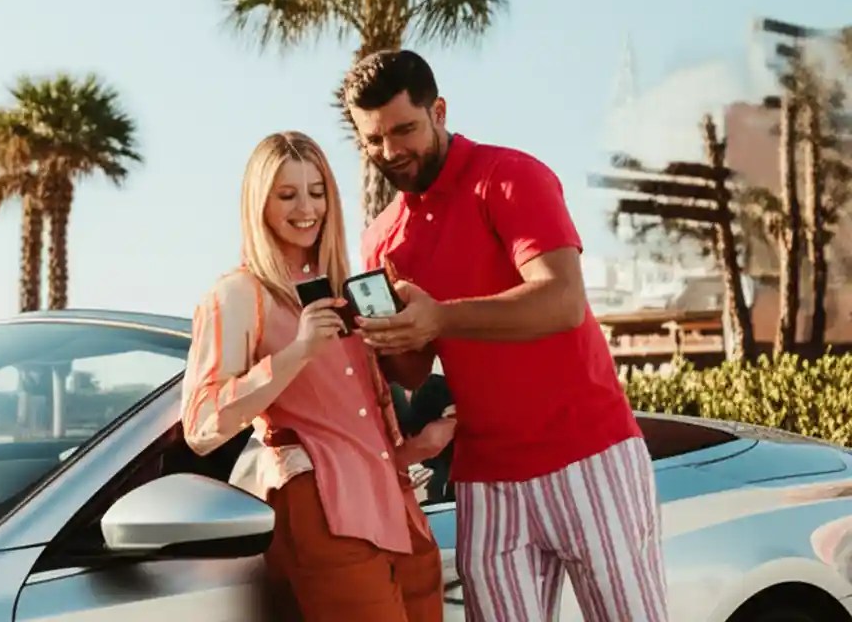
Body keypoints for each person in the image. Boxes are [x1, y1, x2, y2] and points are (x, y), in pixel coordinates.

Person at [341, 50, 669, 622]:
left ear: (438, 111)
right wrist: (383, 337)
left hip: (588, 455)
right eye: (373, 140)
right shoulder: (382, 239)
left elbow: (562, 301)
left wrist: (439, 316)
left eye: (405, 130)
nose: (391, 152)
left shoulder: (509, 177)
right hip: (485, 479)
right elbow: (415, 373)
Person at [182, 131, 455, 622]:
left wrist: (421, 441)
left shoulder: (345, 290)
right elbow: (202, 426)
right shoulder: (240, 294)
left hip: (398, 506)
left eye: (317, 191)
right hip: (323, 509)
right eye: (287, 194)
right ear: (258, 203)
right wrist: (299, 350)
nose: (306, 208)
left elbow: (362, 412)